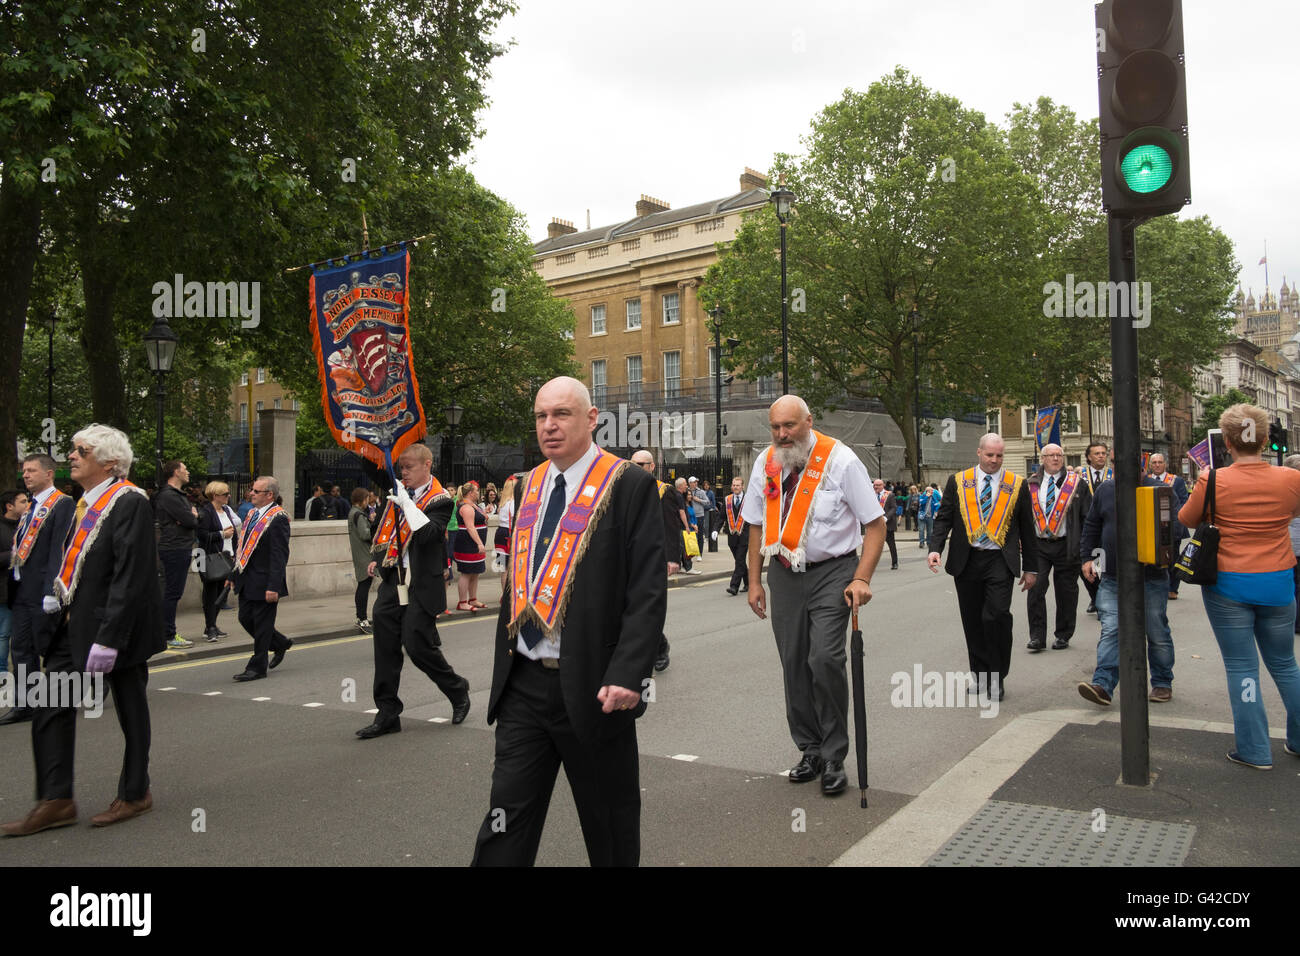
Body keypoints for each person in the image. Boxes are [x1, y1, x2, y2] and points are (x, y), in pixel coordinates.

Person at [472, 377, 664, 866]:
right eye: (541, 416)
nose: (550, 426)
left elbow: (646, 589)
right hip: (525, 685)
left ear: (592, 418)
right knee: (505, 818)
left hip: (595, 688)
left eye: (562, 414)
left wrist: (628, 673)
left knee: (609, 825)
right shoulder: (529, 484)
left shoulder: (630, 485)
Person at [2, 425, 164, 835]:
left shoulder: (130, 502)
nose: (72, 456)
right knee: (50, 706)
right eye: (74, 449)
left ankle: (135, 793)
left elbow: (131, 575)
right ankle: (56, 800)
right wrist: (56, 596)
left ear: (110, 463)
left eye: (82, 451)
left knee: (130, 710)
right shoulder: (79, 504)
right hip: (70, 626)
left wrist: (110, 637)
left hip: (116, 628)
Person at [744, 395, 886, 796]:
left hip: (833, 571)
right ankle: (811, 750)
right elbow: (755, 525)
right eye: (774, 427)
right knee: (794, 664)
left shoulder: (841, 461)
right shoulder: (766, 462)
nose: (781, 434)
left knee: (824, 658)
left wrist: (862, 578)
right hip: (785, 573)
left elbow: (875, 525)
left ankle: (835, 755)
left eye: (789, 426)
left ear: (809, 421)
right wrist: (755, 581)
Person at [1178, 404, 1300, 770]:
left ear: (1227, 442)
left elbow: (1186, 518)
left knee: (1242, 667)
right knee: (1286, 665)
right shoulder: (1290, 479)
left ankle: (1255, 750)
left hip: (1229, 582)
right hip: (1279, 581)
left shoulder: (1213, 479)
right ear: (1265, 439)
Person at [357, 443, 470, 739]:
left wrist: (407, 503)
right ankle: (387, 713)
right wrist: (362, 436)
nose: (402, 472)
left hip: (422, 583)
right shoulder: (397, 486)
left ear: (427, 465)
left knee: (418, 647)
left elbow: (429, 534)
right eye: (401, 467)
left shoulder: (441, 500)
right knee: (384, 648)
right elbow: (373, 466)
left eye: (408, 466)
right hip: (394, 579)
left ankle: (457, 690)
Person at [927, 433, 1038, 700]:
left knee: (996, 616)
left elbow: (1026, 528)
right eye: (990, 455)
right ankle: (980, 674)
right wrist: (935, 548)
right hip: (967, 560)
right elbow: (944, 518)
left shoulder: (1017, 484)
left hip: (1000, 560)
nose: (994, 460)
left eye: (999, 456)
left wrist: (1031, 568)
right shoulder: (959, 481)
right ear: (979, 453)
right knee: (973, 621)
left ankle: (997, 678)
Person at [1076, 471, 1174, 707]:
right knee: (1112, 629)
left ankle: (1162, 681)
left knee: (1156, 631)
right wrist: (1087, 557)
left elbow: (1175, 529)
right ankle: (1103, 684)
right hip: (1113, 575)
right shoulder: (1105, 490)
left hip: (1151, 575)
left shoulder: (1159, 490)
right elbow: (1092, 525)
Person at [3, 454, 75, 725]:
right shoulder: (30, 506)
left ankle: (92, 678)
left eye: (32, 470)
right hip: (22, 589)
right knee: (20, 648)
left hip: (42, 591)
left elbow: (60, 547)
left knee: (51, 647)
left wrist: (51, 590)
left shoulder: (62, 504)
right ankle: (26, 703)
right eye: (24, 470)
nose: (26, 475)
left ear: (49, 474)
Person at [1025, 444, 1091, 652]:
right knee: (1035, 590)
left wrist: (1086, 548)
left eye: (1059, 455)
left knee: (1066, 593)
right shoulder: (1030, 484)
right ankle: (1037, 636)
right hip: (1039, 546)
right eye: (1051, 455)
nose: (1055, 459)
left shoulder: (1077, 484)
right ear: (1042, 459)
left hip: (1066, 545)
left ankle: (1063, 634)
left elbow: (1087, 517)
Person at [630, 450, 687, 672]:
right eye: (632, 463)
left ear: (652, 467)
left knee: (648, 606)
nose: (636, 467)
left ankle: (659, 648)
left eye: (641, 464)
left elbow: (671, 527)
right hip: (631, 557)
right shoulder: (625, 488)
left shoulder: (664, 491)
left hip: (654, 558)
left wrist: (672, 558)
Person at [232, 475, 293, 681]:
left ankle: (257, 667)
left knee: (262, 625)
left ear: (269, 495)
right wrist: (234, 573)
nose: (251, 494)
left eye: (256, 491)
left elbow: (279, 555)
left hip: (266, 581)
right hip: (247, 579)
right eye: (252, 490)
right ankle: (280, 643)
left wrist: (273, 586)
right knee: (245, 618)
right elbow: (243, 548)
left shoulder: (279, 518)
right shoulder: (252, 514)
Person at [153, 460, 197, 650]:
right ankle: (167, 634)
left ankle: (164, 632)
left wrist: (191, 517)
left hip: (180, 546)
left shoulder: (176, 495)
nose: (188, 472)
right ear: (176, 472)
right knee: (172, 592)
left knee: (173, 592)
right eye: (185, 469)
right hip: (174, 548)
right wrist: (192, 515)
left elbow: (188, 519)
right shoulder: (169, 495)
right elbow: (189, 520)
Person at [196, 481, 242, 643]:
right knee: (210, 594)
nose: (229, 496)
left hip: (227, 557)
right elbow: (202, 535)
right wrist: (222, 534)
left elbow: (234, 532)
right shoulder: (206, 512)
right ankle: (210, 628)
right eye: (225, 494)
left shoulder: (226, 510)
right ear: (215, 496)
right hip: (210, 557)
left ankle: (211, 625)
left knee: (222, 594)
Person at [1145, 453, 1189, 601]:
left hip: (1171, 525)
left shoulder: (1176, 481)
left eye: (1160, 462)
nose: (1157, 465)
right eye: (1154, 462)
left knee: (1173, 558)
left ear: (1165, 464)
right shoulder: (1146, 481)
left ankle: (1172, 588)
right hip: (1151, 525)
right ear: (1150, 465)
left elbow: (1184, 502)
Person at [1078, 442, 1113, 613]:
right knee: (1086, 566)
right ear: (1089, 457)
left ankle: (1101, 598)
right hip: (1087, 527)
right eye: (1097, 453)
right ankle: (1094, 597)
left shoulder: (1112, 475)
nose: (1101, 456)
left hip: (1106, 527)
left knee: (1103, 566)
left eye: (1103, 453)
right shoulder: (1079, 476)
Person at [0, 489, 30, 681]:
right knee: (3, 635)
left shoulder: (28, 526)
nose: (27, 505)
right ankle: (2, 672)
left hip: (24, 591)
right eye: (22, 502)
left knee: (18, 637)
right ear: (9, 506)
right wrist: (14, 554)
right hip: (4, 591)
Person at [454, 481, 489, 612]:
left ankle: (473, 599)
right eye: (476, 491)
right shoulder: (466, 507)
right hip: (468, 544)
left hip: (473, 543)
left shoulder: (472, 505)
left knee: (475, 572)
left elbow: (480, 519)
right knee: (467, 573)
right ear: (470, 493)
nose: (478, 493)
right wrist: (479, 543)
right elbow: (470, 527)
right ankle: (462, 602)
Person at [347, 487, 374, 632]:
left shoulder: (353, 513)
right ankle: (362, 619)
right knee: (364, 586)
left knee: (363, 585)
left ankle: (361, 617)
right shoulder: (359, 515)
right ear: (363, 500)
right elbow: (365, 534)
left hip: (359, 554)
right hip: (365, 555)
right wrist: (374, 526)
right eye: (367, 499)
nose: (368, 502)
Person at [723, 475, 749, 595]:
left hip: (745, 536)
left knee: (739, 560)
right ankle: (748, 582)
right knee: (740, 561)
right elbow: (721, 516)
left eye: (738, 485)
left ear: (742, 486)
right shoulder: (727, 499)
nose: (735, 487)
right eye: (734, 485)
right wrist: (714, 529)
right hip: (732, 536)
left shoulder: (749, 499)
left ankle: (734, 586)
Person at [494, 475, 518, 603]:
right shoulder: (513, 503)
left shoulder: (502, 503)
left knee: (503, 567)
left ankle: (504, 594)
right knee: (511, 566)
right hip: (509, 534)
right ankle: (510, 595)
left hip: (499, 534)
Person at [674, 477, 699, 573]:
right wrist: (687, 526)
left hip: (677, 525)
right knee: (686, 547)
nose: (686, 486)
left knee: (680, 547)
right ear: (680, 486)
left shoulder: (676, 495)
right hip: (681, 526)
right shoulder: (679, 496)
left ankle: (680, 567)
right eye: (685, 484)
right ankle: (688, 568)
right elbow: (682, 512)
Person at [874, 479, 898, 570]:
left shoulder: (890, 495)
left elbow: (893, 508)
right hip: (875, 525)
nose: (876, 487)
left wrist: (886, 517)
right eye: (875, 485)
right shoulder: (872, 495)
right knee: (874, 546)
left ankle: (895, 563)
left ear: (883, 485)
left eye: (878, 485)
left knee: (891, 544)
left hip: (887, 524)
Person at [917, 482, 939, 551]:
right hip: (922, 516)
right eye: (930, 491)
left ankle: (929, 542)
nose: (932, 492)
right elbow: (922, 503)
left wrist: (935, 511)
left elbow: (937, 504)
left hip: (930, 516)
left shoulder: (933, 498)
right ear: (926, 491)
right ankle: (921, 542)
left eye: (932, 491)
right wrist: (927, 496)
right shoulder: (922, 496)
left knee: (930, 531)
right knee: (921, 530)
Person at [702, 478, 719, 552]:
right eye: (705, 485)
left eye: (707, 485)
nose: (706, 486)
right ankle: (705, 535)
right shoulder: (702, 492)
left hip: (708, 509)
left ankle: (707, 536)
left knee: (707, 524)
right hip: (702, 509)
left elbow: (713, 501)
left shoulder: (711, 492)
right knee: (703, 524)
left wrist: (714, 507)